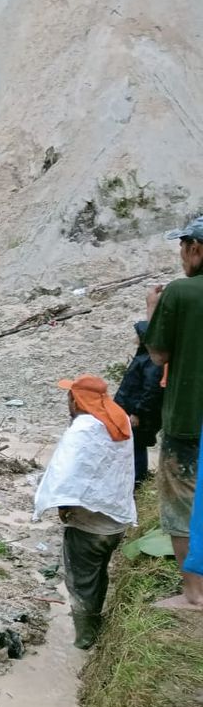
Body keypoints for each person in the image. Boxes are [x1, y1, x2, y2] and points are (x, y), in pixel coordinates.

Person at [33, 375, 136, 649]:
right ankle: (96, 623)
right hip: (115, 519)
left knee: (80, 582)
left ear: (77, 399)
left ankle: (85, 639)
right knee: (98, 574)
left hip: (89, 524)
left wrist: (63, 506)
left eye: (70, 396)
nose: (68, 401)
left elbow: (67, 474)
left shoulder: (84, 428)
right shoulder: (119, 419)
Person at [143, 216, 203, 609]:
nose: (181, 256)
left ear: (196, 249)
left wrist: (152, 309)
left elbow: (158, 354)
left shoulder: (181, 293)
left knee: (183, 500)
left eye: (182, 248)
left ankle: (194, 595)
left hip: (188, 417)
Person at [114, 321, 164, 489]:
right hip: (129, 410)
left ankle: (138, 483)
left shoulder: (151, 361)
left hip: (136, 414)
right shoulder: (144, 356)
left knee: (137, 447)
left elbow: (151, 390)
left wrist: (137, 412)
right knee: (133, 446)